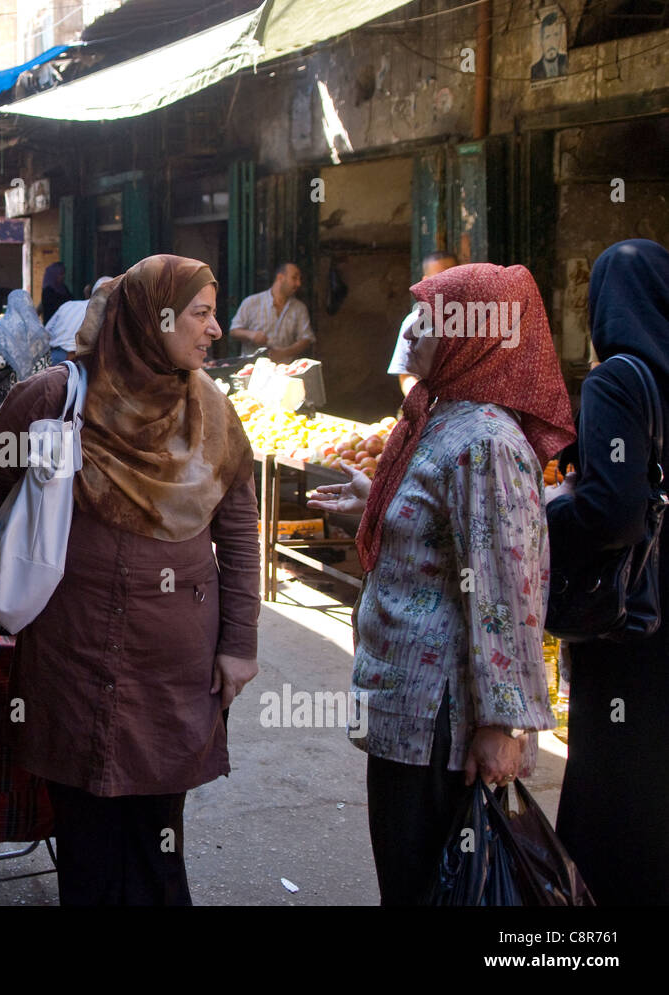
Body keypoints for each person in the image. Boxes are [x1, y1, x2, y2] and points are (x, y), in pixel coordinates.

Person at [0, 255, 261, 905]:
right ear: (150, 319)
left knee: (158, 840)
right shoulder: (54, 394)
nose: (215, 330)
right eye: (201, 313)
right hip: (74, 648)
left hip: (173, 662)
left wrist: (239, 642)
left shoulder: (212, 412)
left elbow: (238, 534)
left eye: (215, 313)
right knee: (88, 839)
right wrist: (43, 532)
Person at [308, 263, 574, 906]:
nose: (414, 332)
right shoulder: (441, 415)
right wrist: (377, 502)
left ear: (473, 336)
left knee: (435, 885)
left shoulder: (484, 439)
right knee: (411, 883)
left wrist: (503, 725)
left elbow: (505, 590)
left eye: (431, 321)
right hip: (406, 705)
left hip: (444, 719)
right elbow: (443, 530)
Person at [546, 238, 669, 905]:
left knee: (611, 791)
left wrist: (542, 518)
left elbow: (613, 509)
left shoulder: (620, 378)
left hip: (635, 619)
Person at [388, 252, 459, 396]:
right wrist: (422, 404)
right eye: (441, 276)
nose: (449, 281)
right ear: (426, 281)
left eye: (454, 274)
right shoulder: (414, 322)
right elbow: (406, 375)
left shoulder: (479, 316)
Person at [229, 262, 314, 362]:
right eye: (294, 278)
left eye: (299, 279)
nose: (298, 284)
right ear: (280, 278)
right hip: (252, 369)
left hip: (285, 371)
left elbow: (306, 339)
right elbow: (234, 331)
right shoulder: (251, 302)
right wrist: (251, 335)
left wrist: (284, 353)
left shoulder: (299, 308)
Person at [45, 276, 111, 364]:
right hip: (76, 360)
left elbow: (46, 332)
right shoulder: (102, 313)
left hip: (54, 356)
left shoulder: (68, 305)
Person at [531, 11, 568, 80]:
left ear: (560, 37)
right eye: (547, 36)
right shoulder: (535, 70)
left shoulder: (565, 61)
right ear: (541, 40)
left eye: (556, 35)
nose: (552, 42)